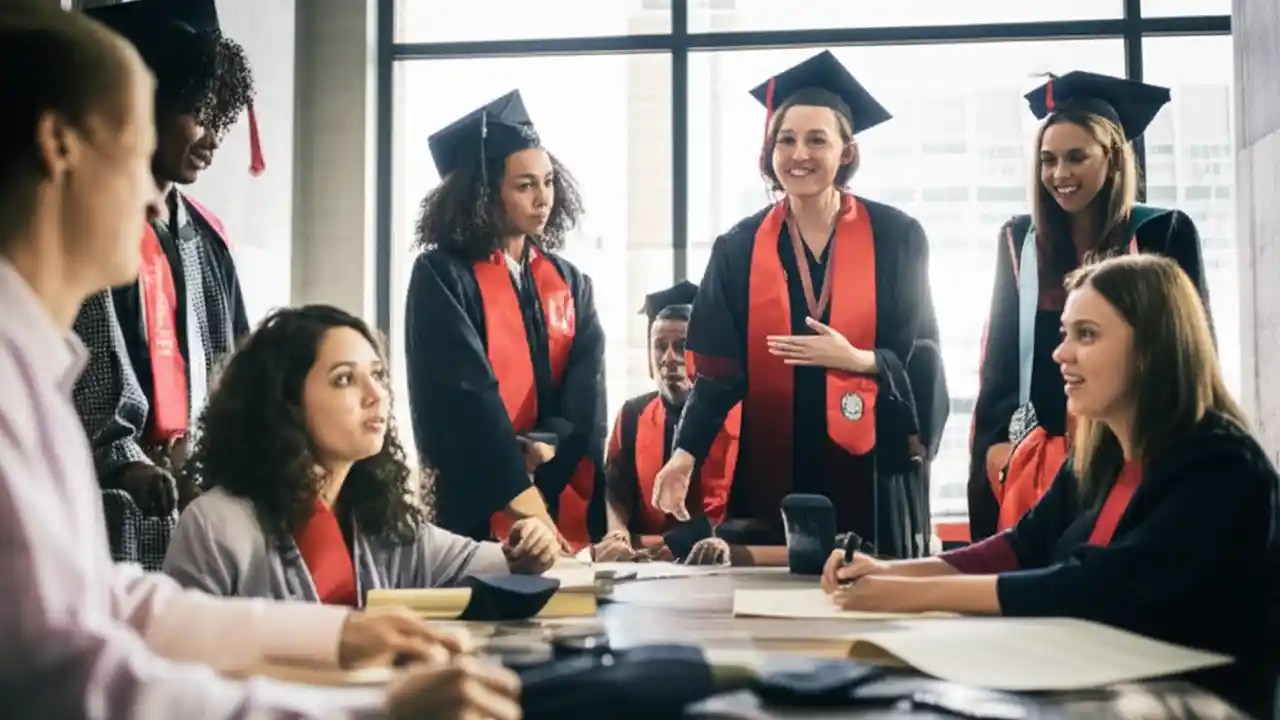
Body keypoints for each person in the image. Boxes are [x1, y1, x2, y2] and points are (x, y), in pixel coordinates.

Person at [0, 5, 520, 718]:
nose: (155, 199)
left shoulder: (33, 370)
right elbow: (68, 680)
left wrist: (341, 636)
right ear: (59, 145)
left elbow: (108, 603)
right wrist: (373, 711)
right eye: (135, 148)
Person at [822, 255, 1277, 669]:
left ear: (1152, 349)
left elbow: (1099, 589)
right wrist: (887, 571)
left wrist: (913, 595)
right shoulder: (1101, 455)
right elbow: (1021, 547)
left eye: (1087, 335)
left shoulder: (1222, 467)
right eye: (1065, 334)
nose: (1061, 353)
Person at [653, 50, 944, 558]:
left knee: (863, 583)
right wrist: (684, 454)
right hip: (771, 470)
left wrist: (859, 360)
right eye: (785, 140)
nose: (798, 154)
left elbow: (921, 351)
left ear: (846, 152)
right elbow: (718, 372)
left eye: (816, 140)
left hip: (871, 469)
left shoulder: (898, 237)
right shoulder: (738, 248)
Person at [163, 305, 561, 602]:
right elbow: (179, 672)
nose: (376, 395)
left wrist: (529, 546)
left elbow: (496, 561)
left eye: (378, 375)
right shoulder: (214, 526)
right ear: (285, 401)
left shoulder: (381, 524)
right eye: (344, 379)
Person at [967, 71, 1212, 541]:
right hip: (1038, 459)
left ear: (1113, 158)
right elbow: (1000, 357)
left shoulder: (1163, 233)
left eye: (1077, 157)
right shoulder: (1021, 241)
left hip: (1136, 449)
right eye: (1048, 160)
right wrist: (997, 444)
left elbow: (1190, 353)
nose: (1060, 175)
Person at [71, 0, 261, 570]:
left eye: (218, 114)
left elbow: (239, 371)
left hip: (196, 509)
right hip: (95, 513)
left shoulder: (207, 239)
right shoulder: (78, 227)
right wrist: (124, 459)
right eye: (195, 111)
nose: (212, 136)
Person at [406, 89, 606, 552]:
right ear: (485, 194)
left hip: (554, 481)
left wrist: (547, 443)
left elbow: (586, 390)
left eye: (548, 182)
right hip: (477, 504)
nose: (543, 198)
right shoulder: (443, 275)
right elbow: (462, 394)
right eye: (525, 185)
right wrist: (518, 485)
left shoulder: (570, 282)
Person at [595, 281, 741, 560]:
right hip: (645, 558)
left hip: (719, 555)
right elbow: (616, 486)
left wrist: (719, 541)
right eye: (660, 347)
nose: (669, 359)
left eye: (682, 346)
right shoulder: (632, 415)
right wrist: (617, 533)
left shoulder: (739, 415)